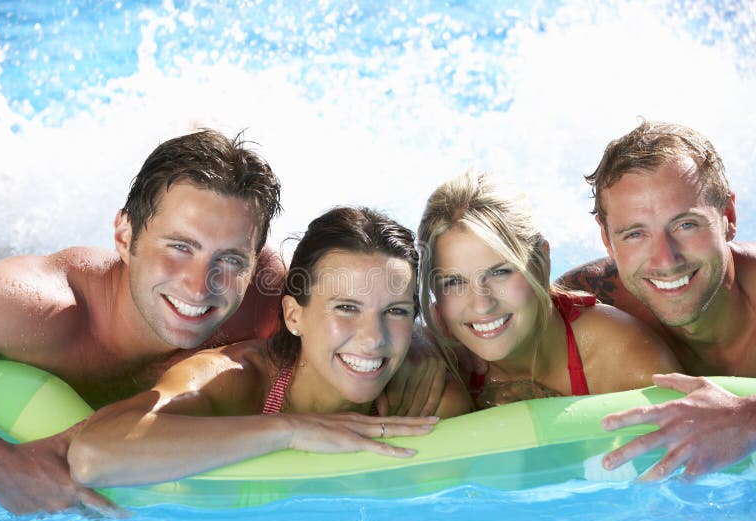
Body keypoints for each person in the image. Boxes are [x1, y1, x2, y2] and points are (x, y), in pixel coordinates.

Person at [0, 129, 284, 515]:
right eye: (180, 247)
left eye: (230, 259)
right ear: (124, 236)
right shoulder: (33, 308)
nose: (200, 286)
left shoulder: (266, 301)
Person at [67, 207, 471, 486]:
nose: (374, 338)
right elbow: (92, 455)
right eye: (346, 308)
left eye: (396, 312)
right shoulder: (232, 381)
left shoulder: (427, 399)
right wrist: (289, 430)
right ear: (294, 316)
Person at [557, 119, 756, 481]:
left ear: (728, 216)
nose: (666, 260)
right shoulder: (590, 300)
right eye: (635, 234)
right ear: (607, 240)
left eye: (685, 225)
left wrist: (747, 417)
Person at [416, 171, 680, 408]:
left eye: (500, 272)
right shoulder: (434, 363)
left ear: (541, 261)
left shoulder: (624, 360)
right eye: (453, 282)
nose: (482, 305)